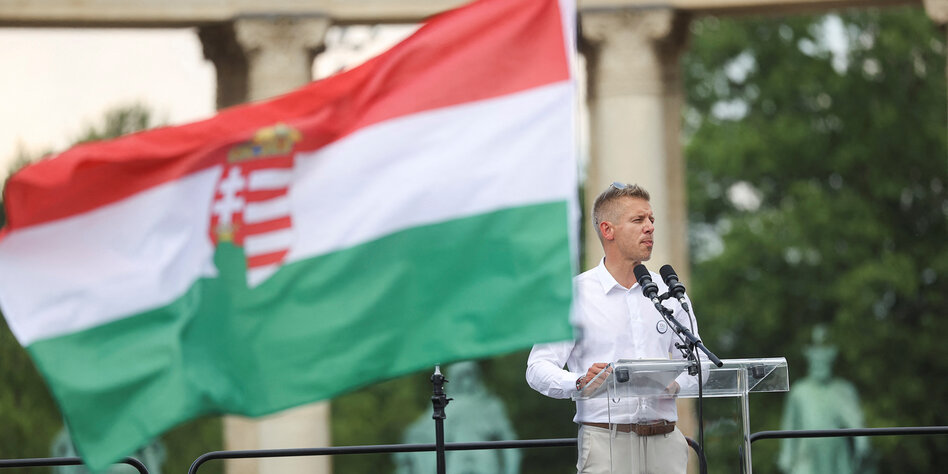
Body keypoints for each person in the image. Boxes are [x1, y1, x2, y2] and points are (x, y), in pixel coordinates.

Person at [526, 182, 700, 474]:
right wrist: (580, 382)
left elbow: (702, 363)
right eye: (638, 220)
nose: (650, 228)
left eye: (651, 220)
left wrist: (677, 385)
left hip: (666, 442)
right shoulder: (573, 294)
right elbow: (537, 368)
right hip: (605, 442)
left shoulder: (670, 292)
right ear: (608, 230)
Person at [777, 326, 870, 474]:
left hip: (836, 453)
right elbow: (790, 425)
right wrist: (786, 455)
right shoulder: (799, 390)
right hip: (807, 452)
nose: (820, 366)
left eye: (824, 362)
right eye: (817, 362)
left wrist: (862, 442)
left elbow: (855, 420)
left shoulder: (843, 389)